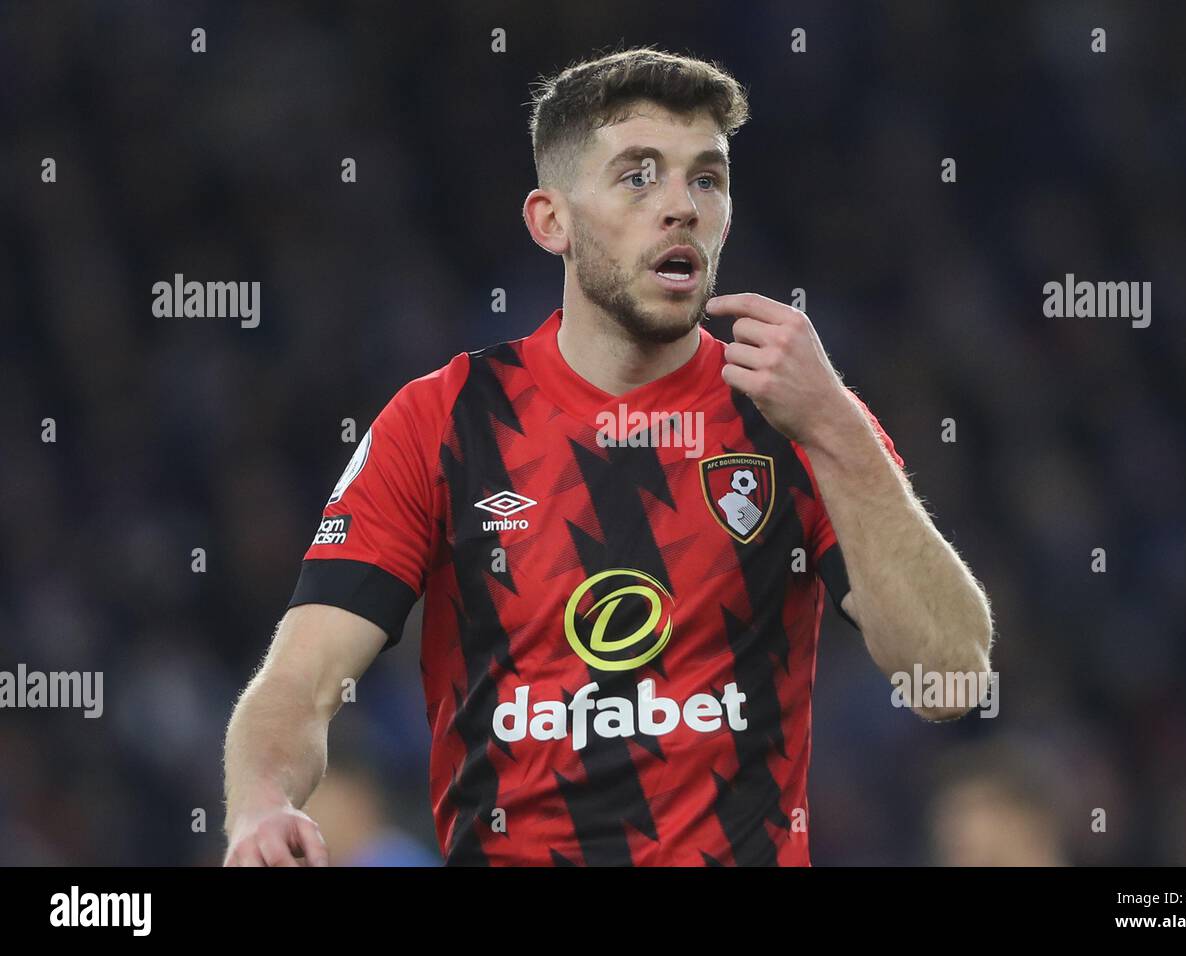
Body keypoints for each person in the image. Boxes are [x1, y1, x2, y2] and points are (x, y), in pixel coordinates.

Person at [223, 46, 992, 867]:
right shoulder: (441, 423)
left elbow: (950, 677)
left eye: (707, 178)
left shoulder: (793, 413)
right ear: (551, 220)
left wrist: (840, 430)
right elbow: (299, 682)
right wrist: (261, 808)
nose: (682, 207)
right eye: (637, 176)